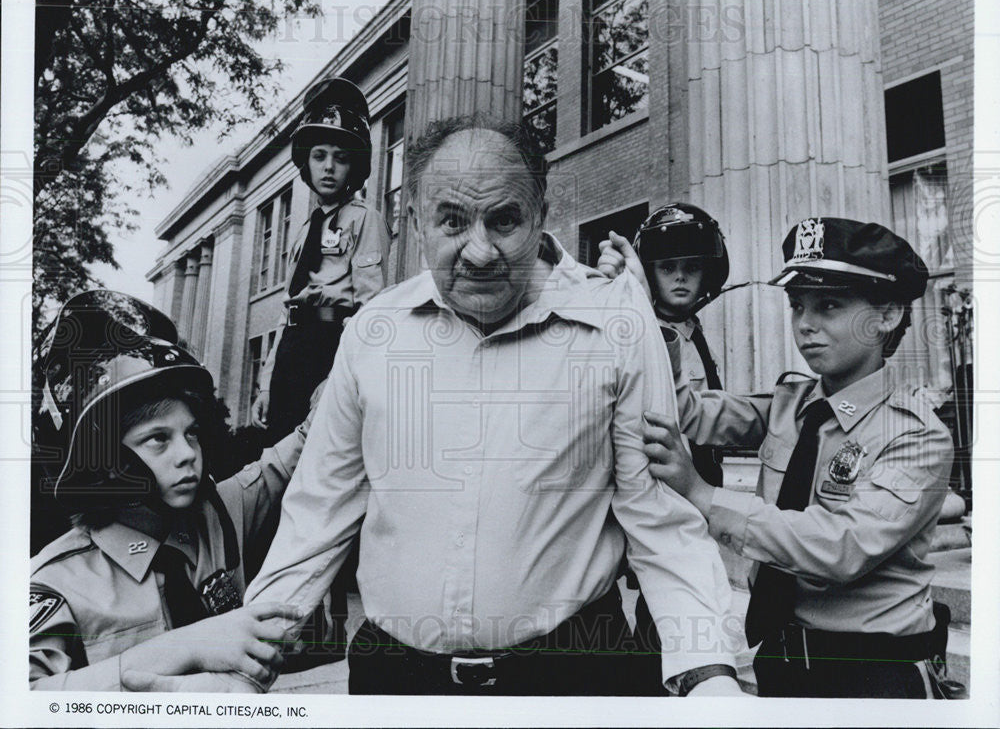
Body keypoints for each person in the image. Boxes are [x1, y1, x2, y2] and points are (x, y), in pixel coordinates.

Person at [131, 114, 745, 696]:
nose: (479, 252)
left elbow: (661, 523)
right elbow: (316, 519)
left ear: (541, 216)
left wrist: (708, 675)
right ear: (416, 220)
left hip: (575, 674)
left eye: (504, 221)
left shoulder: (619, 326)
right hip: (396, 682)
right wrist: (249, 661)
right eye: (452, 222)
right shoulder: (373, 333)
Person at [643, 217, 958, 698]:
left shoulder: (914, 434)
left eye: (829, 305)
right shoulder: (794, 404)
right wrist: (658, 317)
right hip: (781, 656)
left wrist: (704, 496)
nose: (805, 324)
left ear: (889, 314)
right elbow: (687, 410)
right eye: (797, 306)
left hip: (871, 673)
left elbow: (841, 548)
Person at [30, 291, 303, 690]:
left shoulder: (220, 513)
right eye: (158, 439)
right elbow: (21, 698)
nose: (188, 454)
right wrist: (183, 647)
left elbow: (303, 448)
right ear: (101, 459)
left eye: (191, 433)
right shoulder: (58, 580)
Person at [597, 204, 731, 672]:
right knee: (664, 622)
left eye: (692, 268)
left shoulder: (691, 330)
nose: (680, 279)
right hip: (657, 498)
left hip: (692, 489)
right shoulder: (641, 328)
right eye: (667, 268)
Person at [251, 76, 391, 445]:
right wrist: (266, 384)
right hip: (292, 351)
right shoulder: (302, 232)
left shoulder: (364, 219)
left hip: (329, 346)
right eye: (319, 156)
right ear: (306, 163)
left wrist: (339, 375)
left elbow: (369, 310)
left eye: (341, 158)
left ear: (355, 165)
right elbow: (286, 311)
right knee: (276, 452)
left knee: (316, 455)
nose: (329, 167)